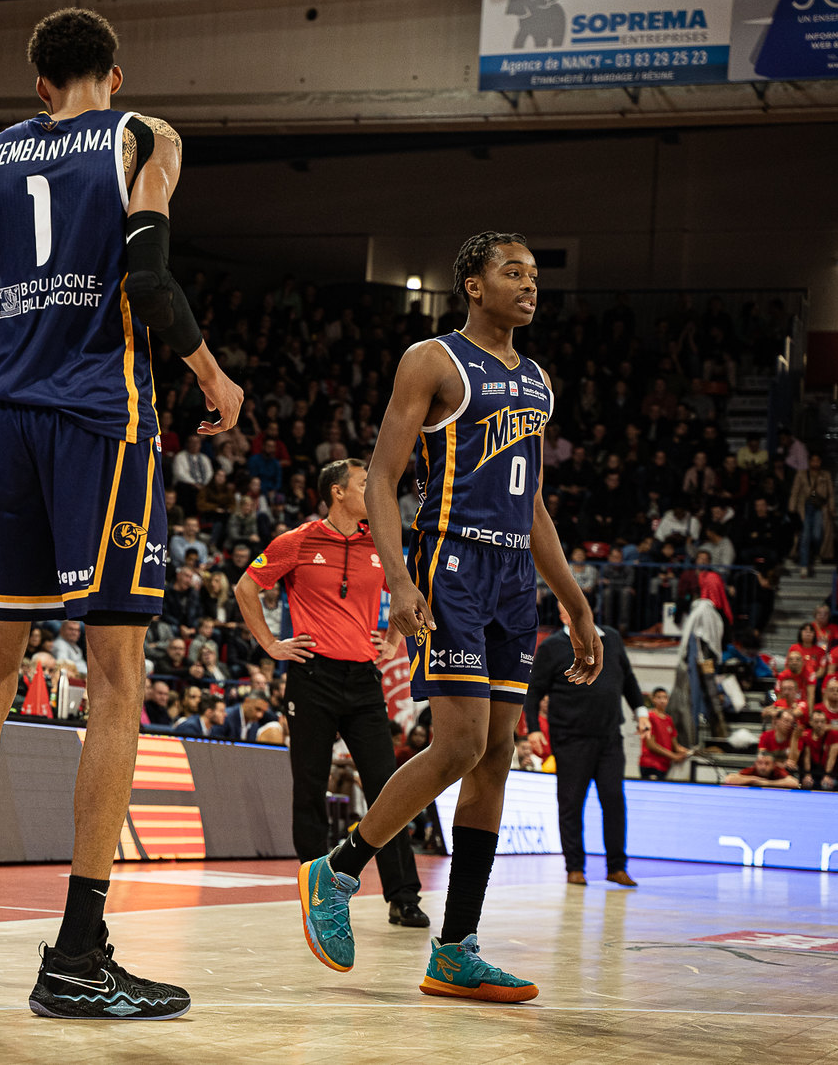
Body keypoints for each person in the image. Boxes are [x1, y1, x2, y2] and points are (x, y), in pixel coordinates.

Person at [0, 8, 241, 1019]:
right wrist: (215, 379)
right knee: (118, 681)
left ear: (40, 86)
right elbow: (148, 275)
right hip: (101, 421)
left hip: (0, 429)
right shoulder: (145, 138)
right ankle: (79, 953)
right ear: (113, 76)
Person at [303, 232, 600, 1003]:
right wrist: (398, 580)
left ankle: (456, 948)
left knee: (496, 752)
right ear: (471, 284)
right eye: (512, 272)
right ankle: (337, 870)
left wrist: (572, 603)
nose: (529, 286)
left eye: (534, 275)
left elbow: (531, 504)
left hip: (511, 579)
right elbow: (383, 478)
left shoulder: (535, 381)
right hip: (453, 564)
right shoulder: (431, 360)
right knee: (461, 742)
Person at [235, 457, 429, 928]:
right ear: (338, 492)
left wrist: (394, 637)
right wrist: (270, 644)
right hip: (311, 676)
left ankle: (403, 896)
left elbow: (410, 594)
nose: (373, 490)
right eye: (365, 483)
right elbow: (246, 586)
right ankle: (315, 895)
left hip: (364, 680)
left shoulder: (379, 545)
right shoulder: (298, 541)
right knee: (309, 787)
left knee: (388, 788)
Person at [524, 599, 645, 888]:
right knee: (571, 803)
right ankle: (574, 868)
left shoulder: (611, 638)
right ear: (563, 614)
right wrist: (531, 729)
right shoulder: (552, 647)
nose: (573, 609)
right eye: (566, 605)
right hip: (570, 738)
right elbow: (534, 690)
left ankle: (617, 867)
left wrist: (642, 713)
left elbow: (628, 679)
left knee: (614, 800)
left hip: (609, 738)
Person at [637, 687, 692, 780]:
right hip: (650, 765)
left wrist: (689, 753)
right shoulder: (649, 717)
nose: (662, 701)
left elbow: (675, 745)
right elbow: (651, 744)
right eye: (659, 697)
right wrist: (673, 756)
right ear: (653, 699)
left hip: (664, 766)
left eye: (665, 697)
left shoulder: (669, 720)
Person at [723, 751, 800, 789]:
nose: (763, 767)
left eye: (767, 763)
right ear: (755, 764)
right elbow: (729, 779)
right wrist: (754, 780)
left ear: (773, 765)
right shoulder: (752, 770)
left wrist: (766, 783)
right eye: (760, 763)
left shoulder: (777, 770)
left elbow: (794, 783)